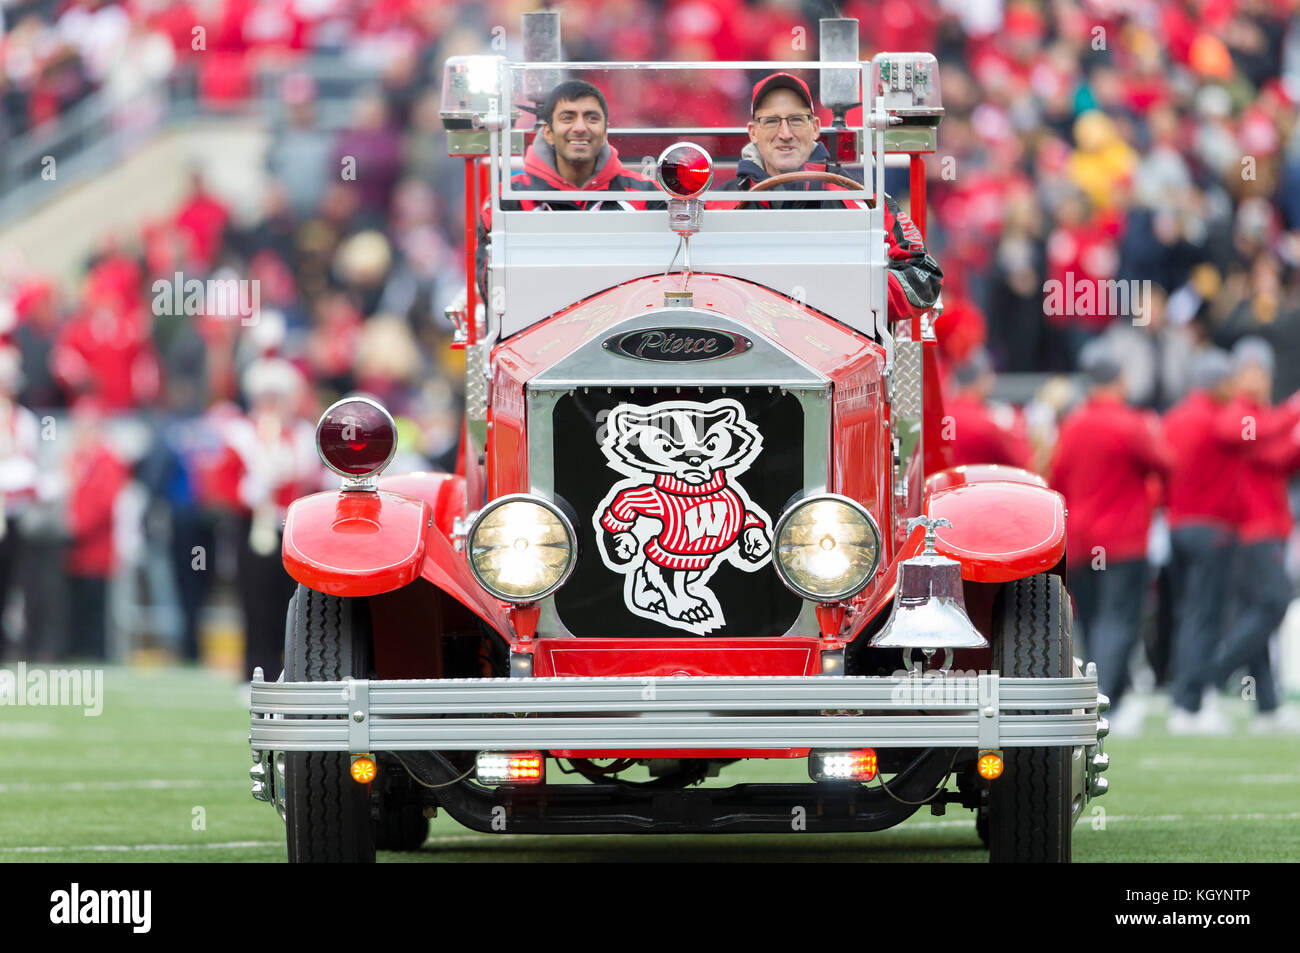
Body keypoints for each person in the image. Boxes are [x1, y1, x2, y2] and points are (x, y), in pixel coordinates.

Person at [720, 72, 943, 322]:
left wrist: (844, 293)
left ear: (815, 127)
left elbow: (925, 276)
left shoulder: (859, 198)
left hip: (841, 351)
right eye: (771, 121)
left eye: (795, 120)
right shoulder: (718, 204)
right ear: (753, 132)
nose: (784, 133)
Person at [1048, 340, 1171, 733]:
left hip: (1083, 541)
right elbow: (1168, 464)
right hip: (1123, 542)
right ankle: (1104, 703)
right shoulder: (1131, 424)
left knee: (1092, 622)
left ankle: (1096, 698)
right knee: (1118, 622)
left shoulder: (1072, 425)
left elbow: (1057, 481)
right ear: (1119, 380)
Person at [476, 79, 658, 293]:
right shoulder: (509, 200)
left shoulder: (645, 195)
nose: (580, 128)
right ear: (548, 133)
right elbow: (494, 289)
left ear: (605, 132)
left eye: (592, 118)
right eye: (567, 118)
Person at [1210, 338, 1300, 732]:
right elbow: (1248, 435)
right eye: (1249, 370)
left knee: (1260, 614)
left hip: (1267, 526)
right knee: (1274, 603)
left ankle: (1266, 706)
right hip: (1253, 529)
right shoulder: (1240, 415)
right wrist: (1294, 410)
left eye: (1261, 370)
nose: (1256, 378)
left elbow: (1277, 458)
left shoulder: (1260, 417)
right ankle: (1212, 675)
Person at [1161, 349, 1241, 733]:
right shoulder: (1218, 419)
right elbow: (1253, 434)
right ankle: (1191, 703)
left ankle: (1185, 697)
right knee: (1205, 618)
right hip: (1212, 530)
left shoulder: (1174, 418)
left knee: (1188, 616)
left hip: (1177, 527)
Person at [944, 349, 1033, 469]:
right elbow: (1025, 463)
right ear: (983, 378)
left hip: (939, 484)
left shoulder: (936, 415)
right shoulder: (988, 422)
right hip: (973, 485)